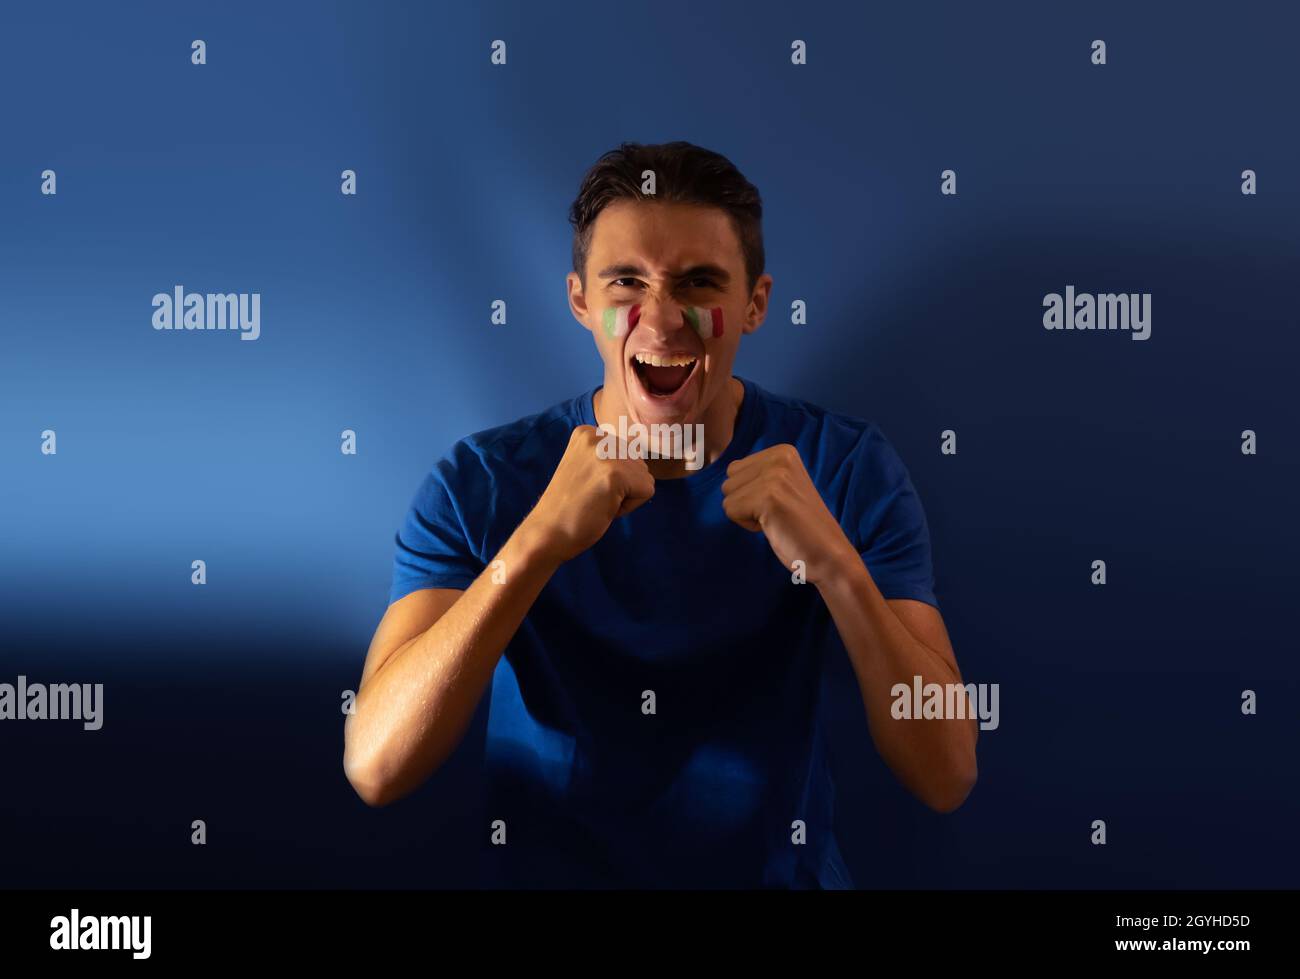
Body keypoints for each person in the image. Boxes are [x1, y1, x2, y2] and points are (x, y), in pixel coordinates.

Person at [343, 141, 978, 888]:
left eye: (699, 282)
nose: (663, 318)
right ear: (580, 299)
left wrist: (834, 564)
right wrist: (537, 543)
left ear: (755, 303)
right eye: (627, 283)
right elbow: (376, 764)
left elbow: (947, 771)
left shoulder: (845, 466)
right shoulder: (479, 483)